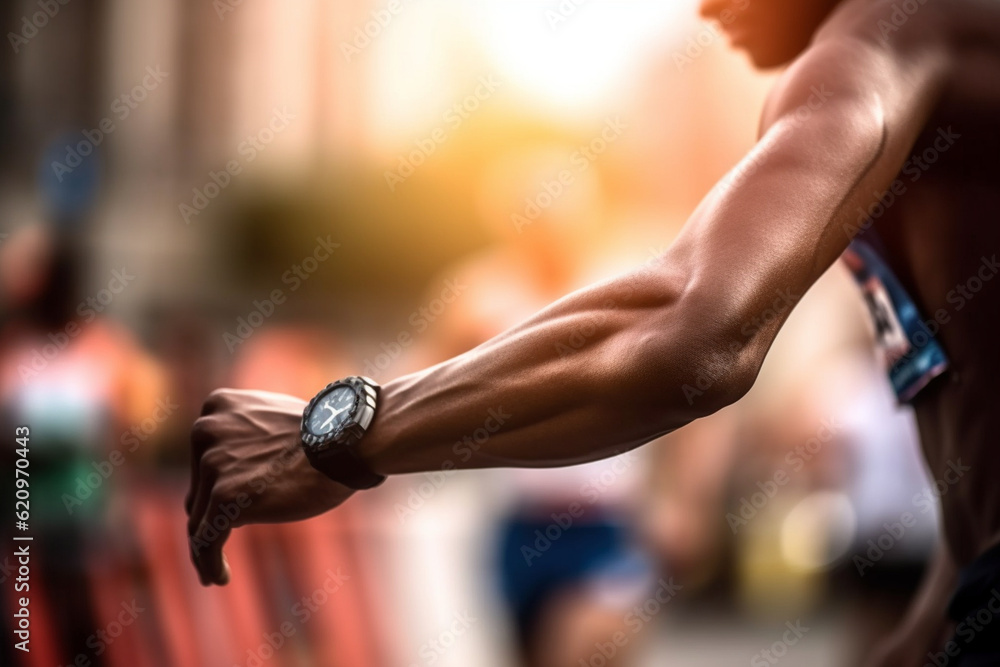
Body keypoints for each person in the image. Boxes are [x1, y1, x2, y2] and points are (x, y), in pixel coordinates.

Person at [187, 0, 1000, 663]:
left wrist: (335, 434)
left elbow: (695, 333)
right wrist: (935, 616)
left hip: (606, 529)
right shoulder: (481, 287)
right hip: (522, 531)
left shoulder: (884, 38)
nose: (704, 8)